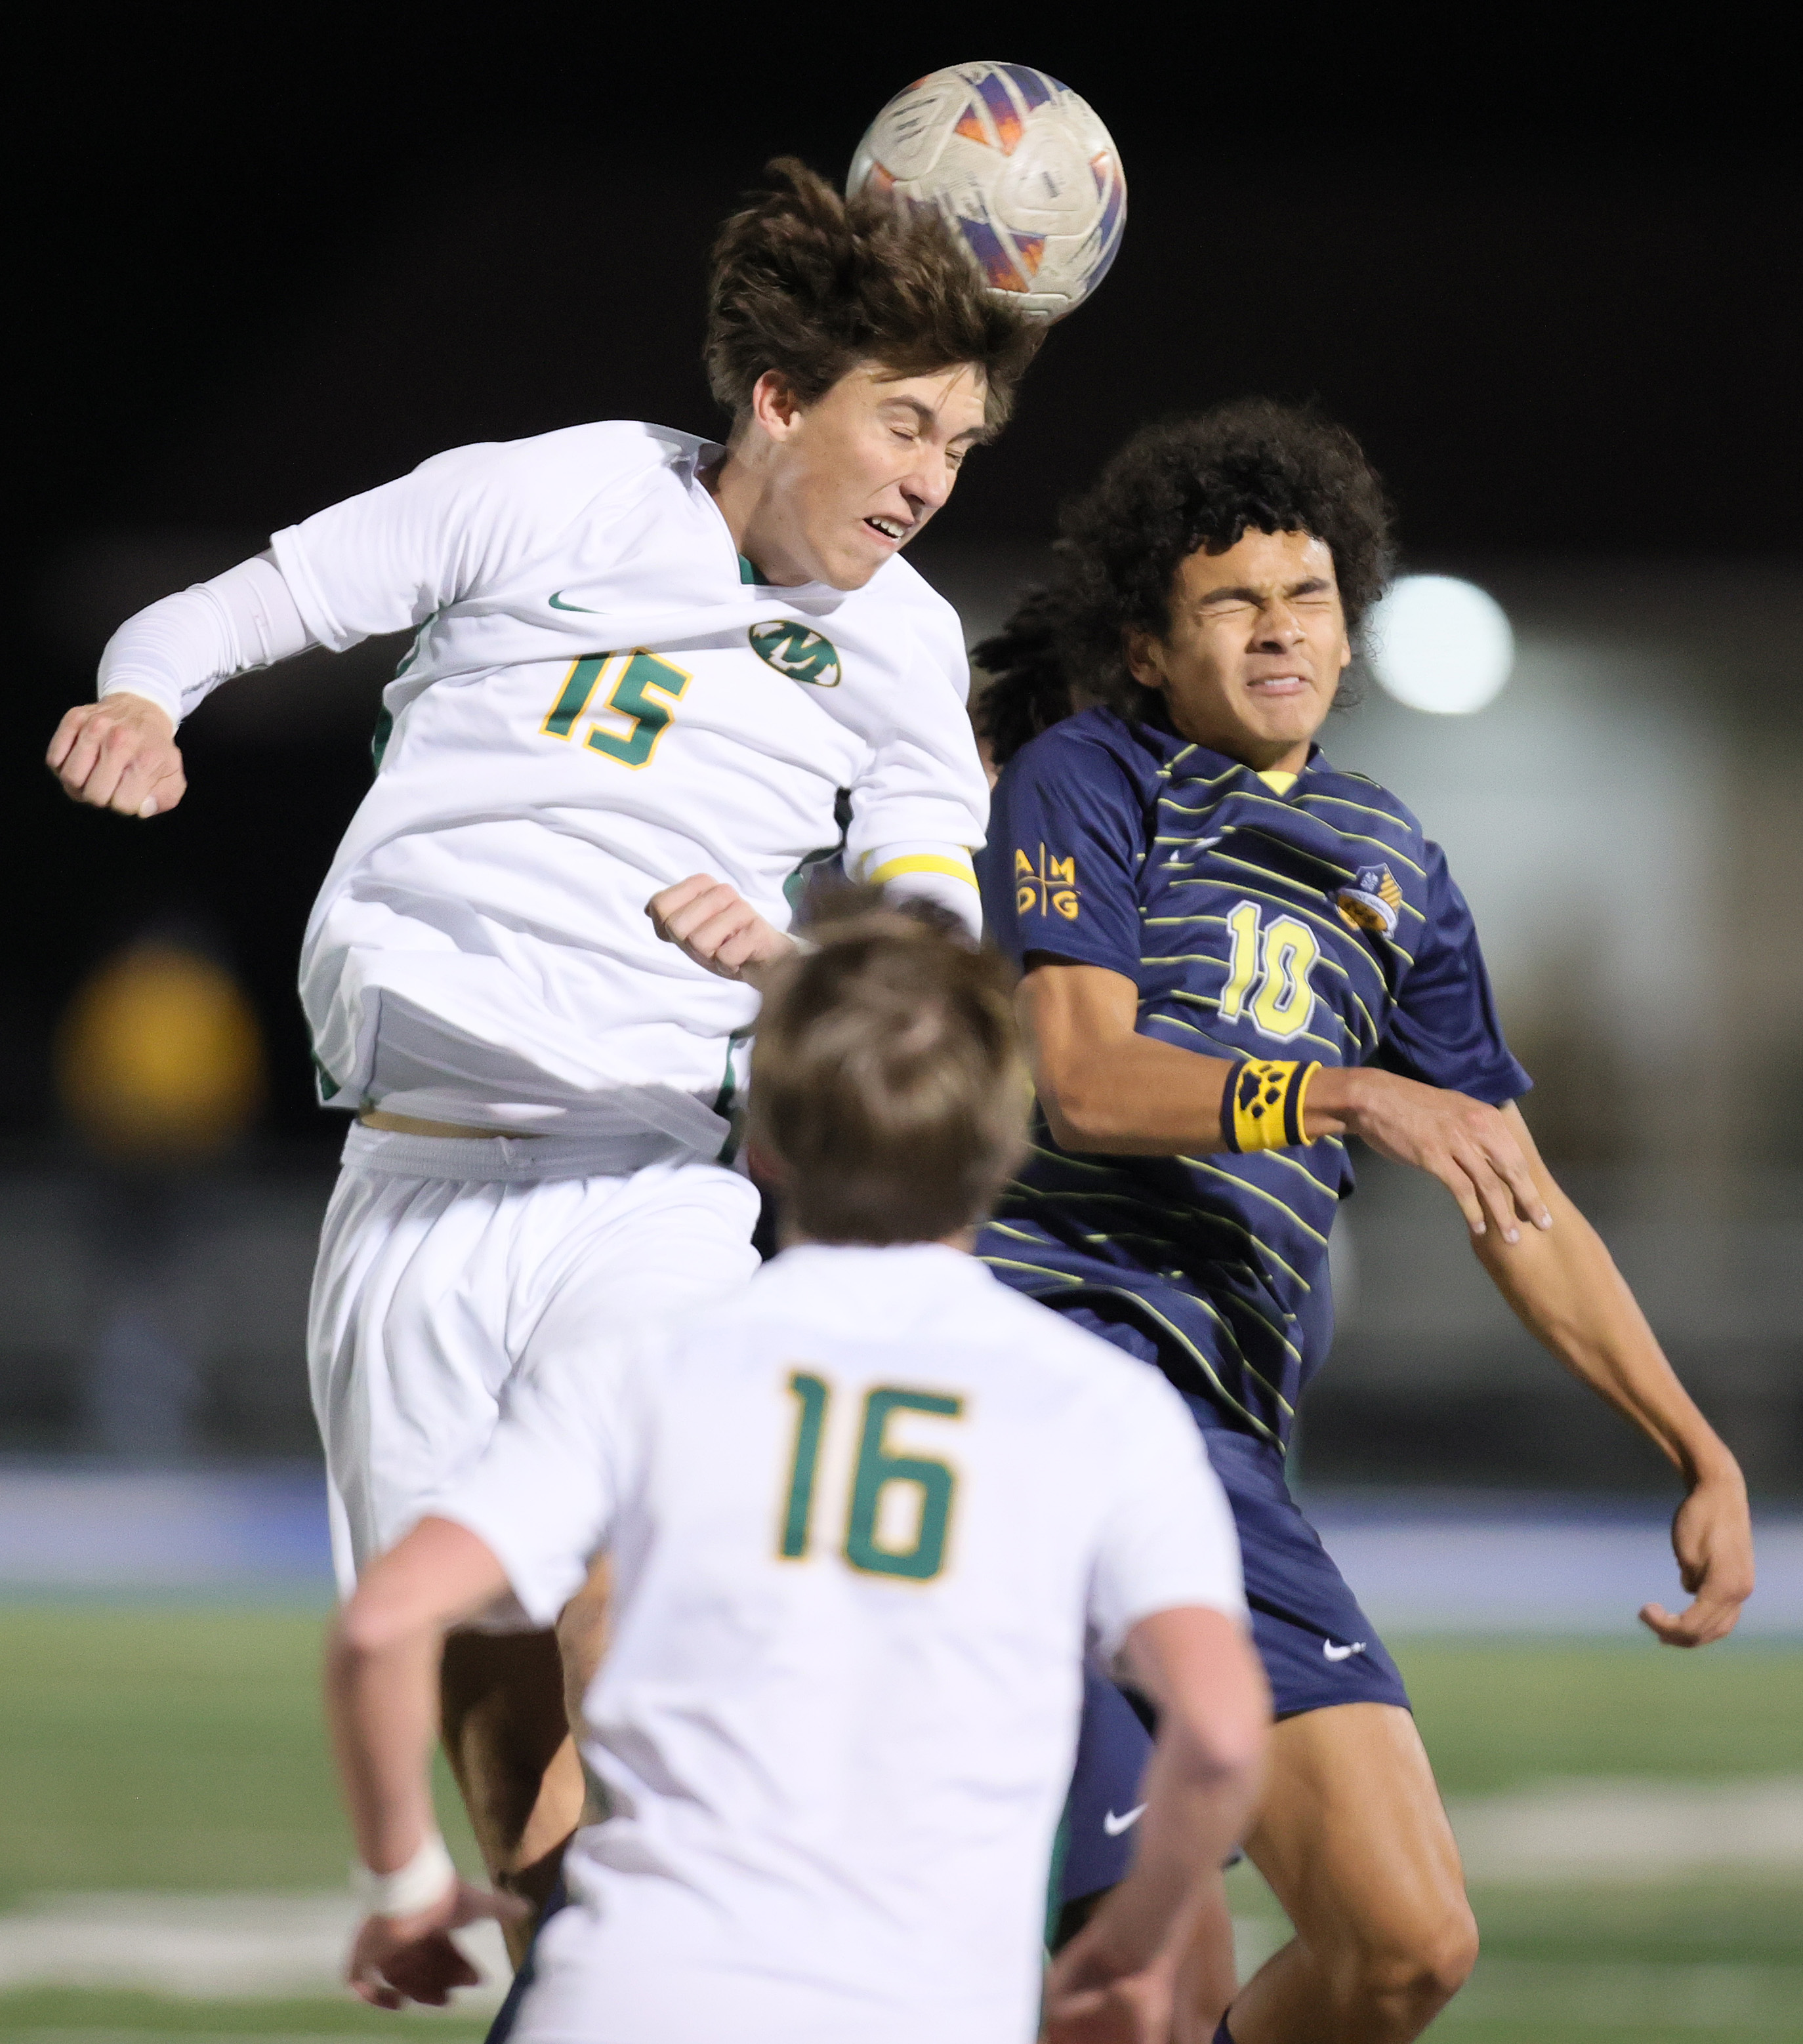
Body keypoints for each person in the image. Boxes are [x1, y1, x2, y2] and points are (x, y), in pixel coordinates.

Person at [46, 160, 1039, 1947]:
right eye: (905, 425)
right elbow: (220, 612)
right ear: (778, 397)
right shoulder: (551, 492)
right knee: (523, 1790)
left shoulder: (899, 648)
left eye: (958, 445)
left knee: (626, 1644)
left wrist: (816, 957)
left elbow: (933, 948)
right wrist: (140, 700)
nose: (927, 480)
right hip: (403, 1194)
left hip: (644, 1186)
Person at [971, 400, 1757, 2044]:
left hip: (1225, 1444)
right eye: (1231, 602)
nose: (1278, 629)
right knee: (1116, 1972)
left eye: (1308, 595)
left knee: (1403, 1944)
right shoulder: (1089, 774)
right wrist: (1334, 1095)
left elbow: (1514, 1192)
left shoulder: (1399, 860)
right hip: (1049, 1372)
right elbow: (1093, 1087)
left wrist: (1693, 1442)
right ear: (1146, 644)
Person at [323, 908, 1270, 2044]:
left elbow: (384, 1628)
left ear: (763, 1139)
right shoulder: (1101, 1407)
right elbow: (1218, 1731)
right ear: (1006, 1140)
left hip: (630, 1998)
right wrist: (1137, 1939)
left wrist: (404, 1880)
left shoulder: (646, 1369)